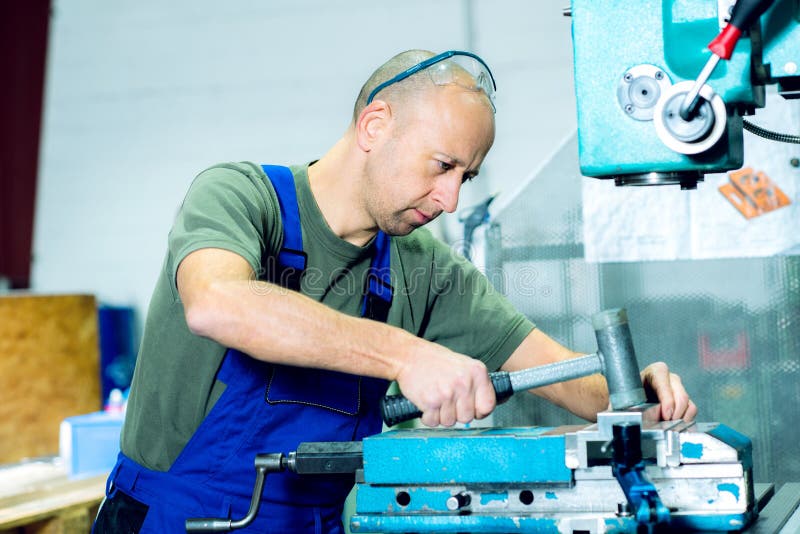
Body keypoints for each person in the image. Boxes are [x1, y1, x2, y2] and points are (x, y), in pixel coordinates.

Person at [93, 49, 696, 533]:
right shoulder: (240, 198)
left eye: (468, 176)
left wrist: (635, 397)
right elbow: (219, 303)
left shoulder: (424, 267)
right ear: (375, 124)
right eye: (442, 166)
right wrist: (407, 355)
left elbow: (557, 372)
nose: (451, 199)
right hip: (172, 520)